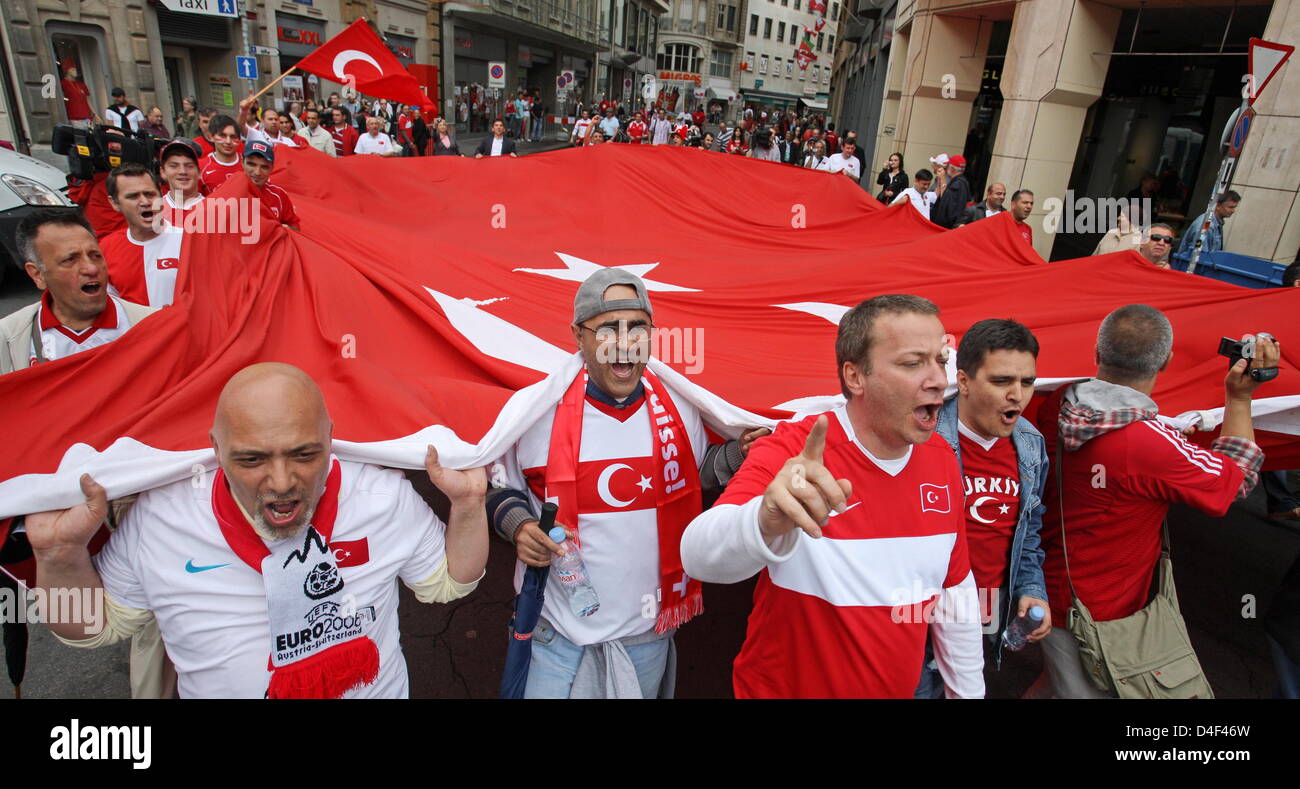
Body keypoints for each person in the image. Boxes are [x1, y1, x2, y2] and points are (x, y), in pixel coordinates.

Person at [25, 362, 488, 698]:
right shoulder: (160, 518)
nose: (282, 482)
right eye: (252, 459)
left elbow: (448, 583)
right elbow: (93, 628)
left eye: (305, 455)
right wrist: (59, 555)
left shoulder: (380, 496)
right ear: (215, 449)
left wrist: (469, 505)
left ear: (331, 439)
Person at [680, 295, 985, 698]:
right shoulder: (796, 448)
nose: (937, 379)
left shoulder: (943, 456)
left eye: (941, 361)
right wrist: (763, 520)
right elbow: (698, 555)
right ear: (855, 377)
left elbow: (955, 588)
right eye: (913, 363)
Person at [483, 270, 769, 698]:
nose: (625, 341)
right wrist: (520, 528)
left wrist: (738, 456)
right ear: (579, 337)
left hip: (647, 638)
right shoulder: (537, 411)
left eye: (637, 326)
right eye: (607, 329)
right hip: (558, 639)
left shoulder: (679, 404)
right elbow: (498, 487)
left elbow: (696, 474)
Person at [1034, 305, 1276, 698]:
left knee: (1057, 685)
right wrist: (1240, 398)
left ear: (1097, 352)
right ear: (1167, 360)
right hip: (1097, 611)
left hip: (1053, 589)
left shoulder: (1058, 402)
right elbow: (1232, 482)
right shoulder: (1148, 444)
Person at [913, 319, 1050, 698]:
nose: (1017, 395)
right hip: (916, 619)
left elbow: (1030, 531)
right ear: (966, 381)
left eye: (1027, 383)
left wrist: (1031, 590)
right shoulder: (919, 436)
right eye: (1002, 381)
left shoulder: (1031, 446)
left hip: (985, 617)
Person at [1, 209, 155, 373]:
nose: (91, 268)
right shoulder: (9, 338)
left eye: (95, 255)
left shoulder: (152, 325)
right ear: (37, 274)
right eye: (70, 259)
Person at [100, 164, 183, 308]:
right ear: (114, 203)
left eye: (150, 194)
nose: (145, 202)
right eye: (133, 196)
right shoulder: (106, 248)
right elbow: (110, 306)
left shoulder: (189, 241)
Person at [242, 141, 299, 230]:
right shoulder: (227, 193)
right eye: (252, 164)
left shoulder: (279, 195)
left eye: (264, 167)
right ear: (242, 163)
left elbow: (295, 227)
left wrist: (286, 230)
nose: (257, 172)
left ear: (272, 169)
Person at [1177, 190, 1240, 263]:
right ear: (1218, 206)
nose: (1233, 211)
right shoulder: (1206, 224)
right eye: (1230, 207)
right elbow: (1201, 255)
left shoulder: (1215, 223)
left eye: (1234, 207)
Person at [156, 138, 206, 229]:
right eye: (174, 166)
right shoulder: (153, 211)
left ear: (199, 172)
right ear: (162, 172)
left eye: (189, 166)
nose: (182, 171)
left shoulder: (216, 211)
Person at [198, 115, 244, 193]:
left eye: (233, 137)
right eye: (222, 136)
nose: (228, 141)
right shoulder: (200, 167)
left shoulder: (249, 164)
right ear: (211, 137)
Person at [931, 155, 971, 229]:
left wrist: (943, 179)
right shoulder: (962, 182)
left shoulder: (958, 184)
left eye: (948, 166)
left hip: (947, 227)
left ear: (952, 168)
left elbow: (946, 201)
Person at [59, 60, 95, 128]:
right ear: (67, 71)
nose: (75, 71)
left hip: (87, 117)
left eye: (75, 69)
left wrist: (95, 114)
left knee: (90, 137)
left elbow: (87, 100)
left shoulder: (81, 84)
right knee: (80, 137)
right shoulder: (62, 84)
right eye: (72, 69)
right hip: (74, 118)